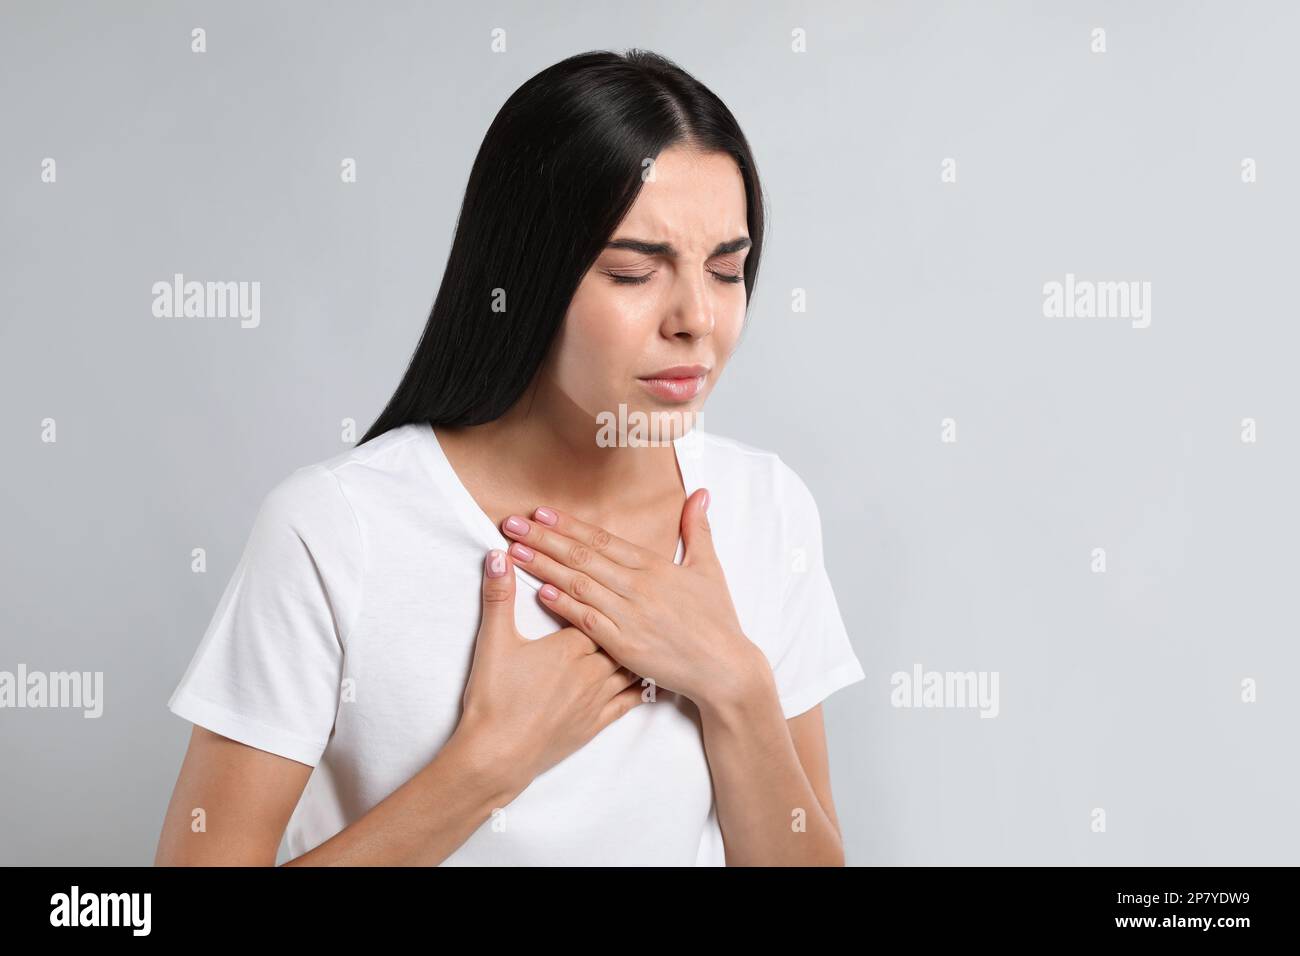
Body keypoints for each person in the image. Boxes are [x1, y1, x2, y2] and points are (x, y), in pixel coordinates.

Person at [156, 48, 864, 866]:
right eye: (634, 272)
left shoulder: (766, 508)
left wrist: (734, 686)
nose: (696, 319)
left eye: (727, 270)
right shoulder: (334, 531)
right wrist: (485, 767)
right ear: (524, 278)